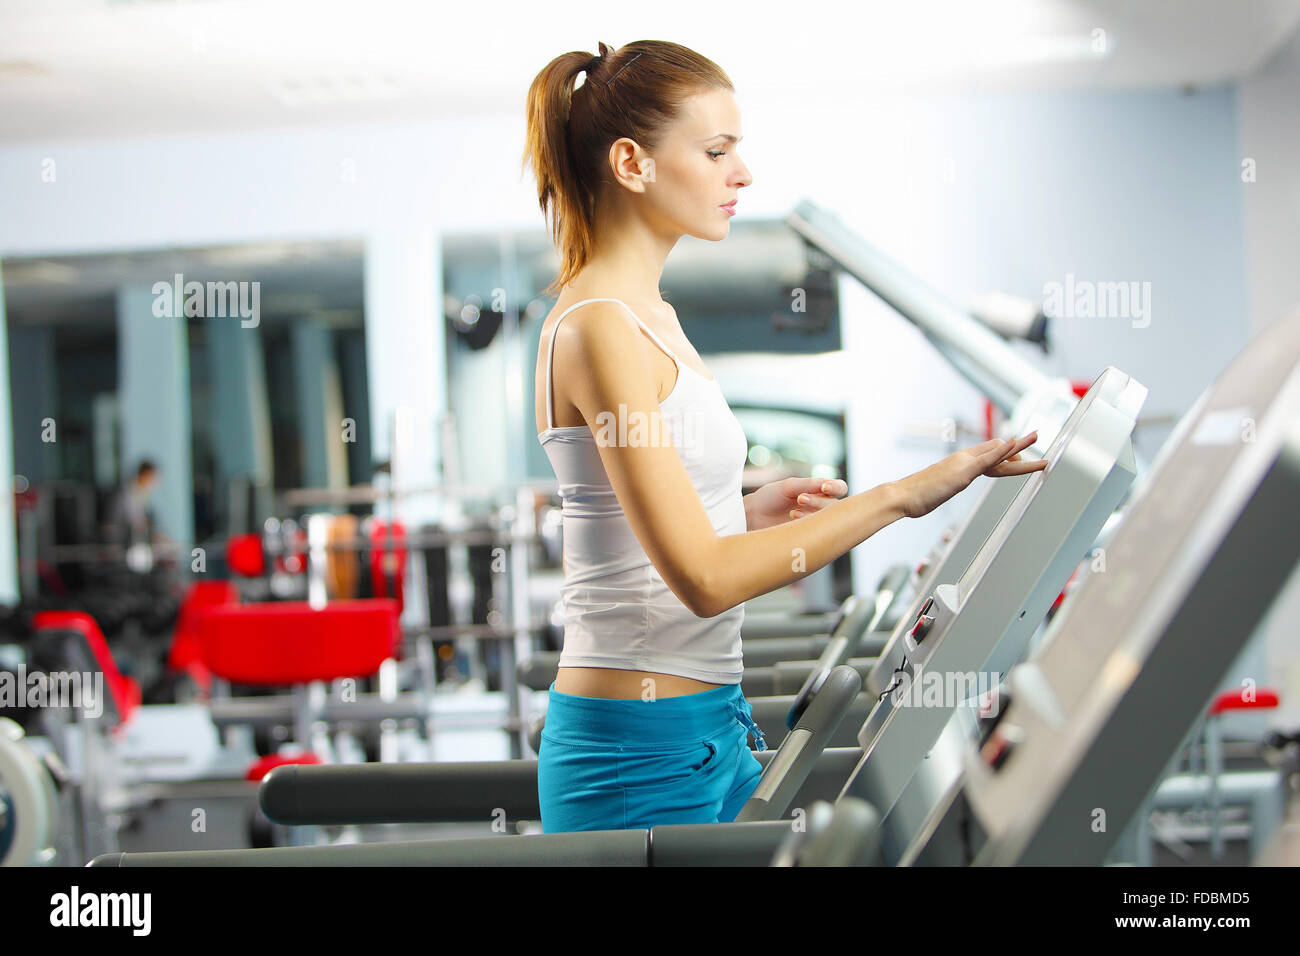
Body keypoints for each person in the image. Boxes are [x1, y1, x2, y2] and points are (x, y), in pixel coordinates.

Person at [523, 40, 1047, 833]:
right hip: (641, 756)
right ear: (632, 163)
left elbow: (652, 540)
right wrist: (902, 496)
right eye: (717, 150)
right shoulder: (602, 327)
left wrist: (741, 514)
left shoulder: (648, 317)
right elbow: (702, 579)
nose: (743, 173)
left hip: (706, 725)